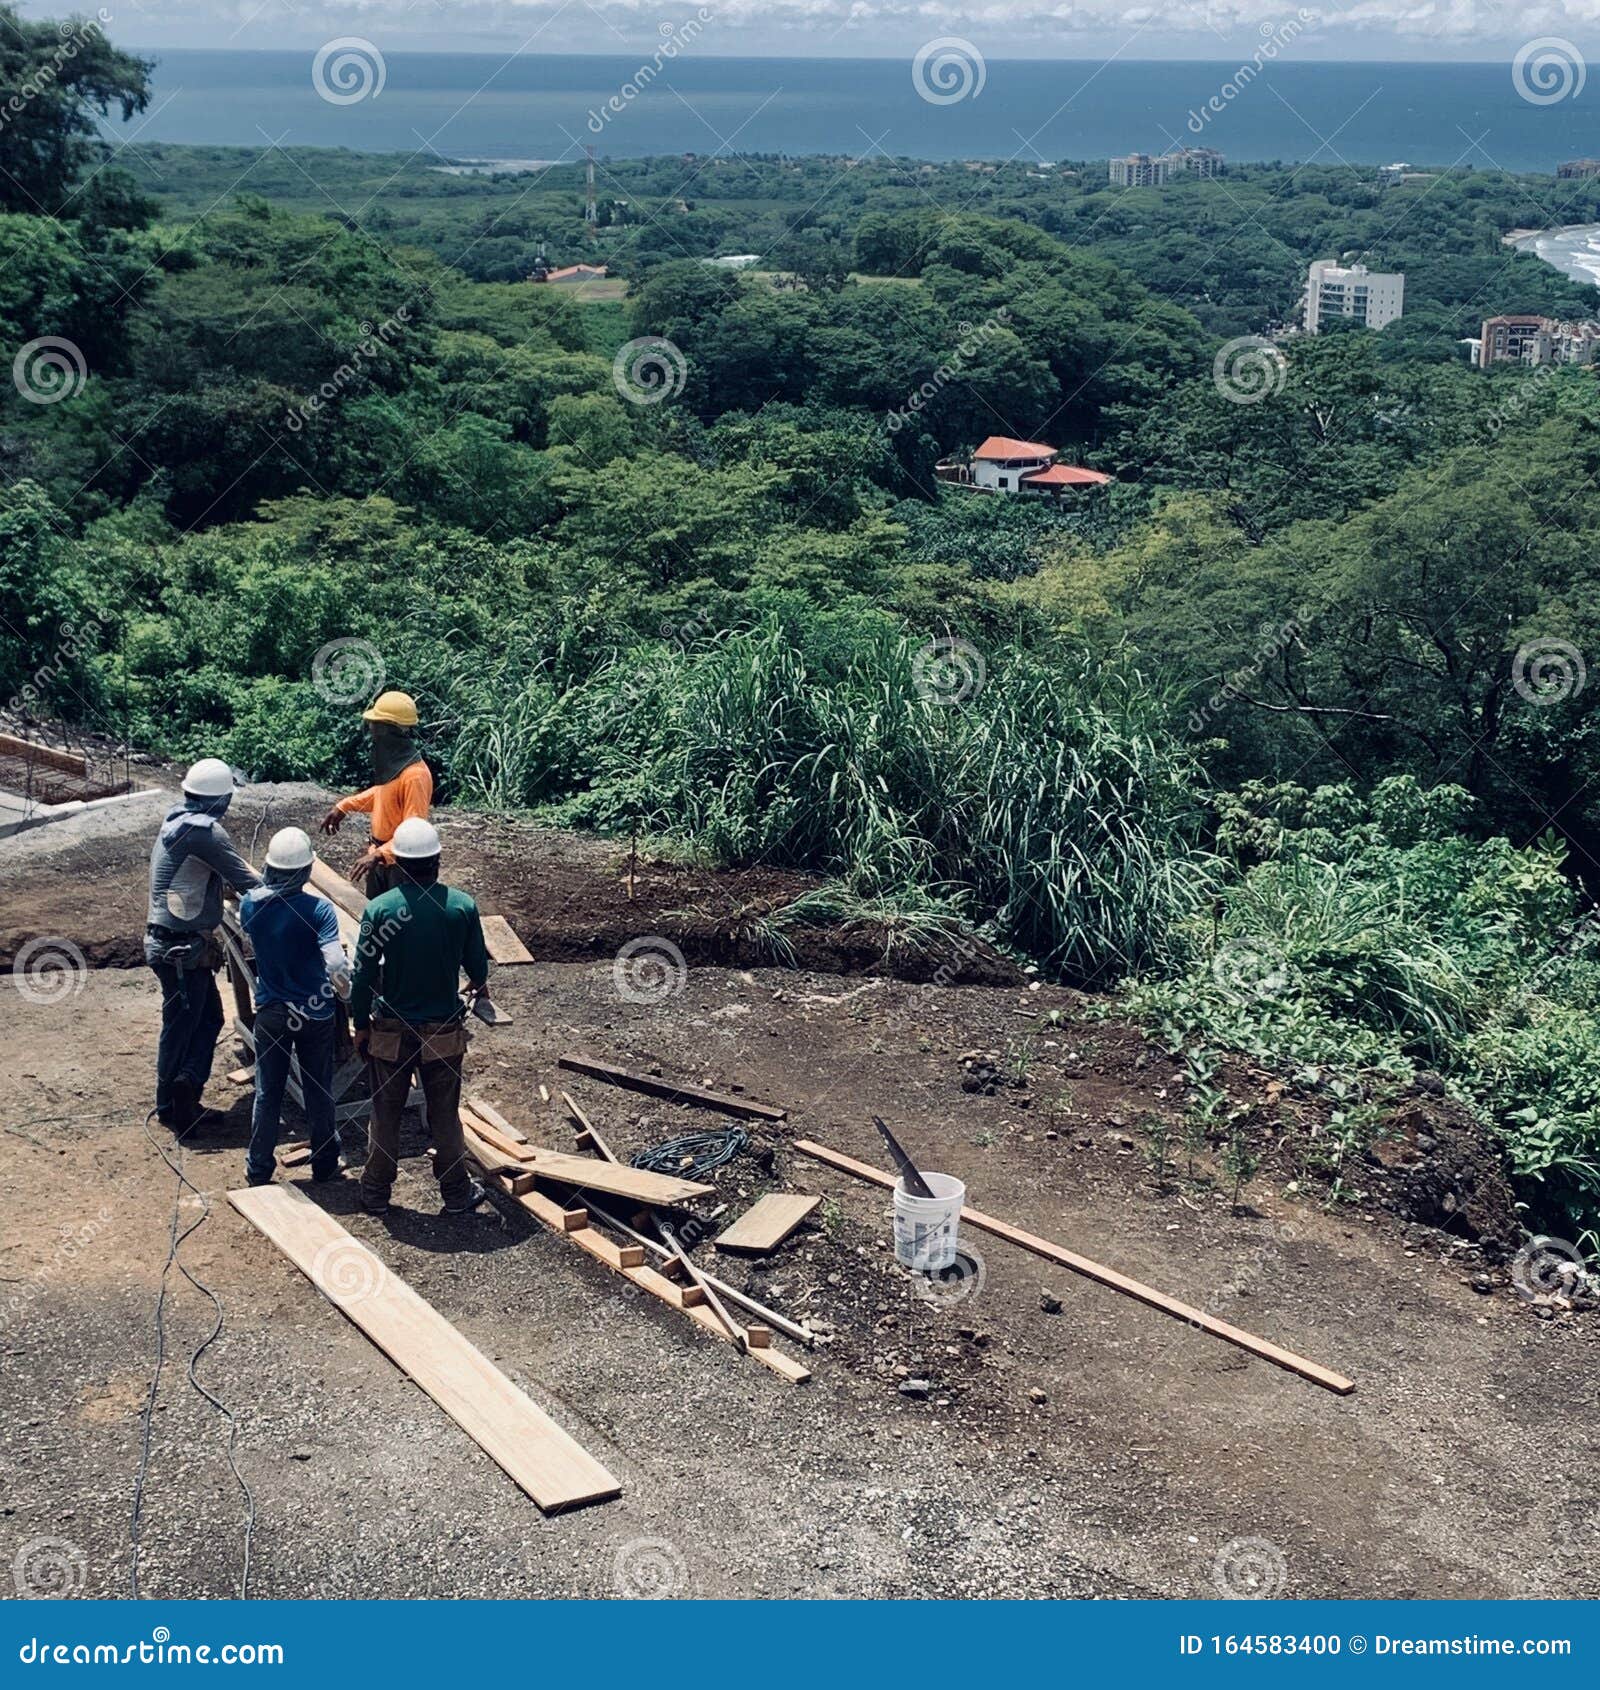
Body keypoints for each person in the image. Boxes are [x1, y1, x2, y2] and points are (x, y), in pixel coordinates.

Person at [348, 817, 494, 1215]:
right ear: (438, 860)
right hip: (443, 1030)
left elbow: (361, 975)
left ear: (398, 865)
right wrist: (477, 983)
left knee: (386, 1112)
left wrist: (360, 1024)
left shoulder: (380, 909)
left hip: (391, 1031)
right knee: (444, 1114)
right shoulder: (461, 906)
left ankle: (376, 1194)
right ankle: (457, 1195)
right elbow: (478, 968)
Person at [145, 758, 261, 1131]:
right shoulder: (205, 832)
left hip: (170, 942)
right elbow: (248, 883)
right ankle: (176, 1106)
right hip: (180, 948)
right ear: (220, 799)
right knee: (181, 1024)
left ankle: (182, 1092)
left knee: (203, 1017)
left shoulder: (176, 818)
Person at [239, 827, 351, 1187]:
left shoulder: (250, 904)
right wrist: (348, 991)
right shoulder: (319, 909)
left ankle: (258, 1169)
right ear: (306, 870)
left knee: (268, 1091)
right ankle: (324, 1165)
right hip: (314, 1013)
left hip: (271, 1012)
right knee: (319, 1089)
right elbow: (334, 964)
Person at [318, 690, 433, 895]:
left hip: (401, 866)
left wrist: (380, 854)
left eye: (376, 724)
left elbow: (414, 831)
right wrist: (344, 806)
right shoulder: (395, 765)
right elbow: (382, 795)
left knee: (395, 920)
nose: (371, 729)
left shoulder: (415, 775)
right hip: (379, 856)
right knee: (375, 912)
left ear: (390, 730)